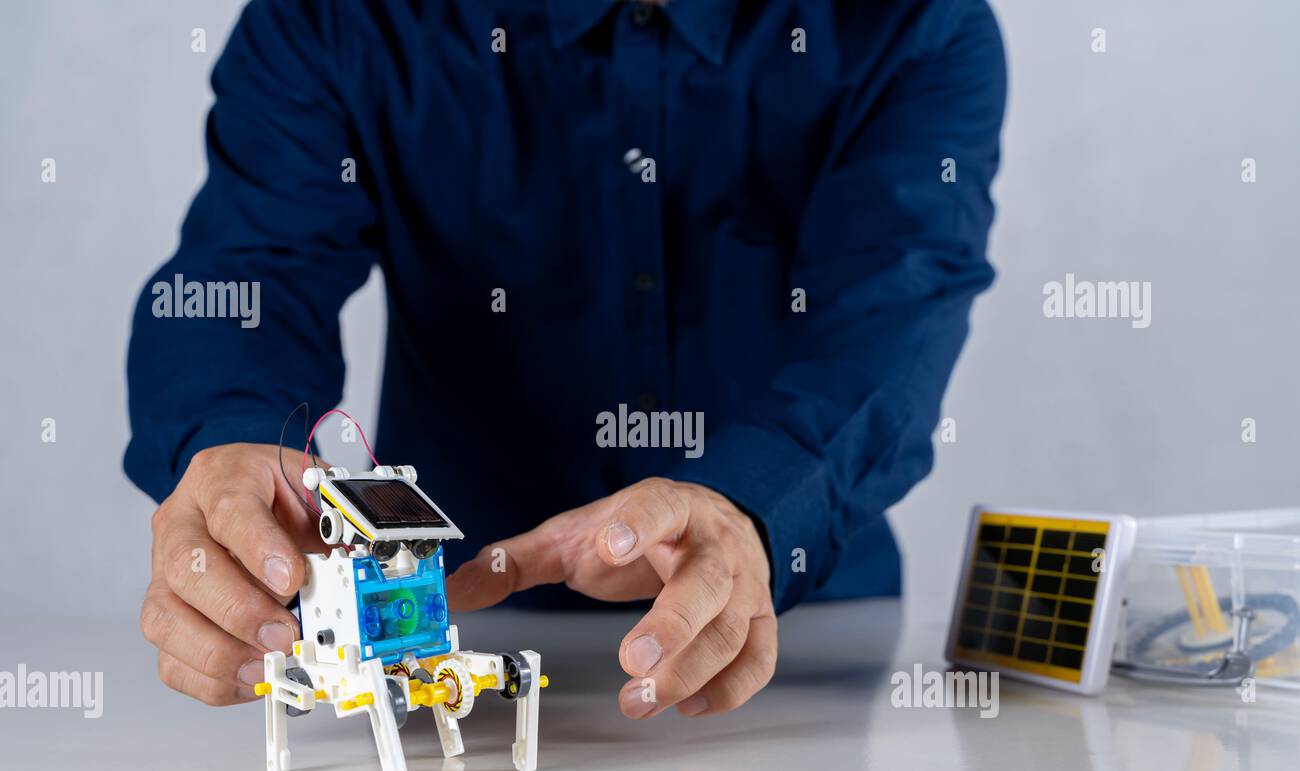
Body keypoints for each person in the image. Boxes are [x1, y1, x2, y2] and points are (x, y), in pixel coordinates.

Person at [127, 0, 1006, 719]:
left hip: (800, 640)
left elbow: (893, 311)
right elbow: (248, 276)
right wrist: (233, 446)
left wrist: (750, 508)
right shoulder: (337, 19)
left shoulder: (915, 23)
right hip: (453, 634)